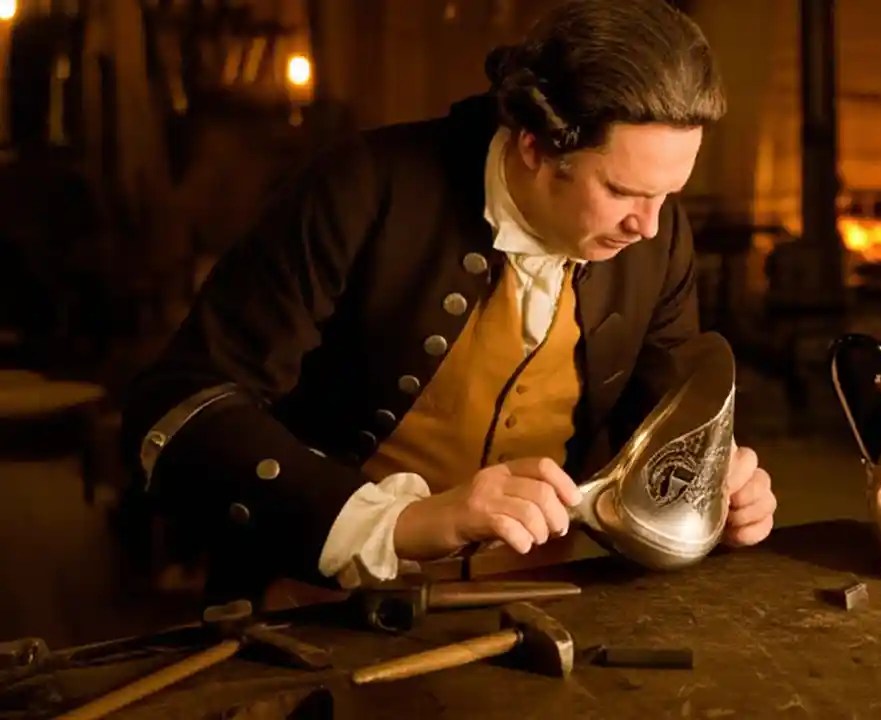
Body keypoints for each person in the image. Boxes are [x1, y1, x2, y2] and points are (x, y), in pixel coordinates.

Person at [121, 0, 777, 602]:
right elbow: (178, 406)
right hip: (323, 605)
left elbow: (657, 425)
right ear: (535, 147)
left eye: (667, 195)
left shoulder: (656, 239)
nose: (650, 226)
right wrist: (404, 522)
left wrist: (704, 491)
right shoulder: (363, 189)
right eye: (622, 190)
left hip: (548, 601)